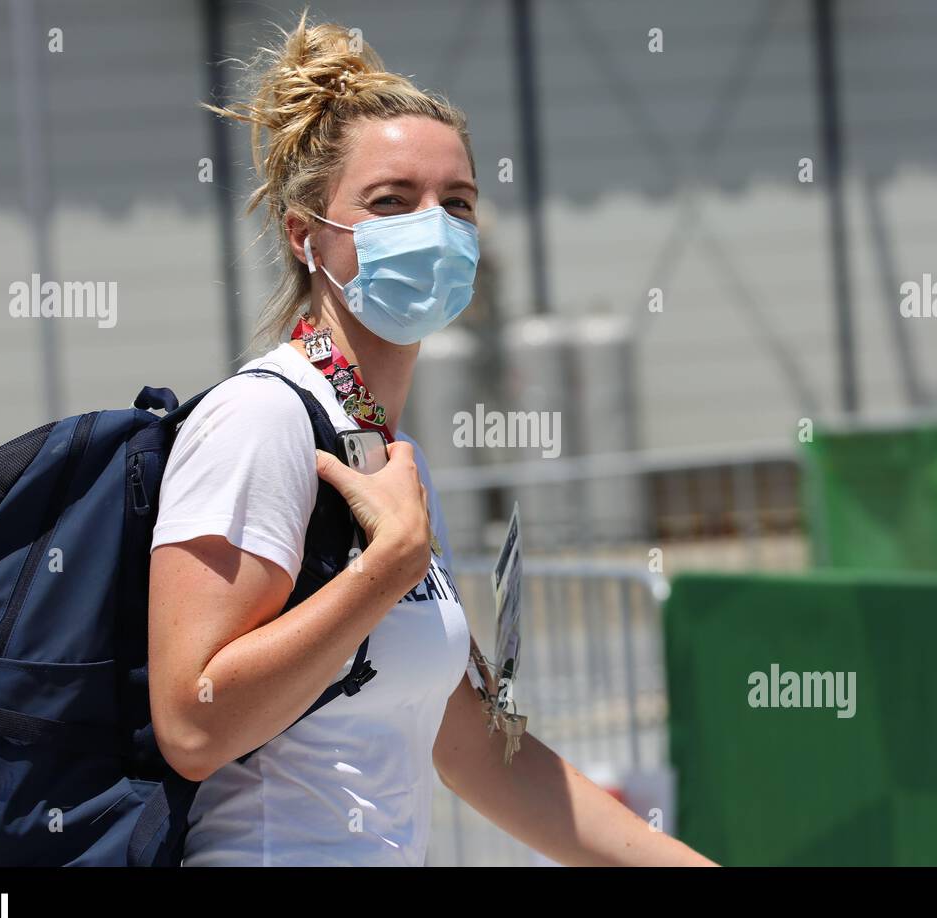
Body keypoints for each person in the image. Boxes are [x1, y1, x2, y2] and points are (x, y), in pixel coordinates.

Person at [147, 9, 715, 867]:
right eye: (391, 202)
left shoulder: (387, 454)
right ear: (305, 235)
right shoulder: (260, 421)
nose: (434, 226)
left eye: (458, 203)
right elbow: (192, 725)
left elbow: (476, 751)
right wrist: (385, 570)